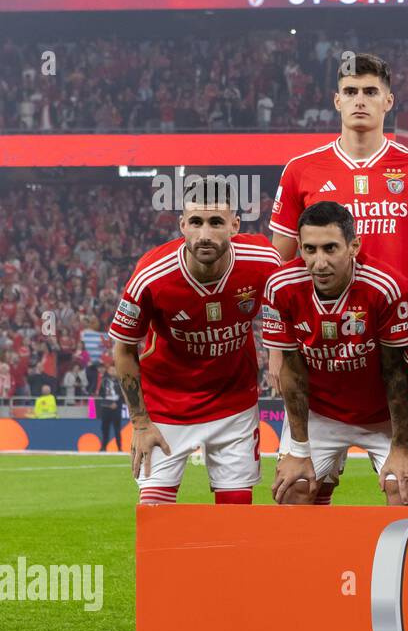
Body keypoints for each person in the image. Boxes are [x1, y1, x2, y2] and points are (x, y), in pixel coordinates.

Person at [267, 52, 408, 389]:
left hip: (399, 334)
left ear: (388, 101)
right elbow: (278, 264)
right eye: (351, 92)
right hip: (320, 339)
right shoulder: (301, 169)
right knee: (312, 440)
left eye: (370, 92)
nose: (360, 100)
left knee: (401, 439)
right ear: (337, 101)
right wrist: (277, 350)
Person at [109, 177, 281, 504]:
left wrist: (276, 351)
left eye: (216, 222)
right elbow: (123, 348)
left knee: (235, 518)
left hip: (234, 404)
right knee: (154, 515)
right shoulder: (151, 275)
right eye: (196, 223)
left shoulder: (264, 261)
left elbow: (288, 303)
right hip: (166, 406)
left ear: (234, 225)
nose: (204, 234)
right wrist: (141, 423)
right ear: (182, 225)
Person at [262, 201, 408, 506]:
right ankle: (317, 553)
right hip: (320, 413)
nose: (319, 262)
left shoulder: (386, 287)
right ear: (299, 247)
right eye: (309, 249)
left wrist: (401, 446)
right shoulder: (280, 286)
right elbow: (293, 373)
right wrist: (299, 448)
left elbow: (396, 371)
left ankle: (393, 554)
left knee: (405, 490)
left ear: (354, 246)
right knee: (292, 490)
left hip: (382, 416)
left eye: (330, 248)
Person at [96, 370, 123, 451]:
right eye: (111, 370)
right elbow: (101, 395)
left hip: (116, 408)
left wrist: (117, 404)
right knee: (105, 428)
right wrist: (108, 403)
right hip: (106, 408)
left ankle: (119, 448)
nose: (112, 372)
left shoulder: (120, 381)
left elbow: (123, 395)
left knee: (117, 429)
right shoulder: (104, 381)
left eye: (114, 370)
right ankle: (103, 447)